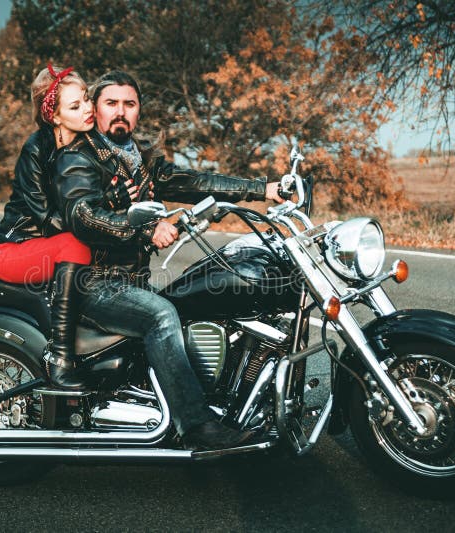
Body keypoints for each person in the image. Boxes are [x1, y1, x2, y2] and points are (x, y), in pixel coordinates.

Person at [53, 70, 285, 450]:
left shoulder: (138, 158)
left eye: (129, 104)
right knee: (162, 315)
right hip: (95, 284)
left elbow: (192, 182)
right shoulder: (78, 158)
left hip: (130, 282)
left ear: (138, 110)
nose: (120, 112)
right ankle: (196, 425)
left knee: (204, 290)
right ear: (95, 108)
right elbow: (82, 215)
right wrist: (145, 230)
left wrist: (264, 190)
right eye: (111, 103)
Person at [0, 65, 135, 389]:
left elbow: (95, 199)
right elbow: (48, 218)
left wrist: (117, 198)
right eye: (75, 106)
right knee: (76, 243)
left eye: (86, 99)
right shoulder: (36, 149)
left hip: (47, 245)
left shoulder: (90, 144)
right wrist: (103, 209)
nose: (87, 108)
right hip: (14, 248)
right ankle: (60, 357)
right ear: (54, 117)